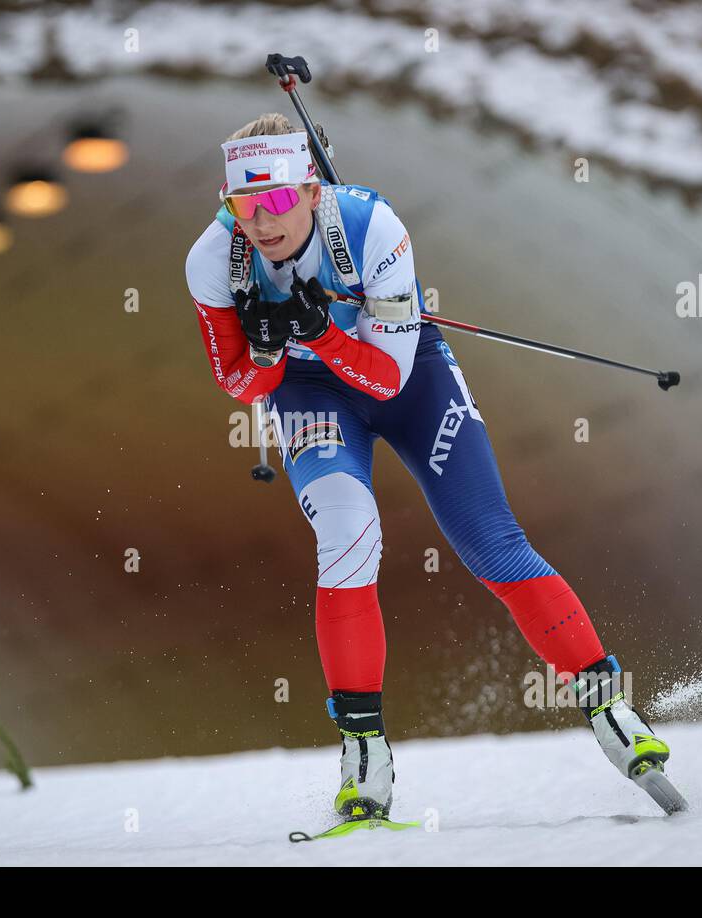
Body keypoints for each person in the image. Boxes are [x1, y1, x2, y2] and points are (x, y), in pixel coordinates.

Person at [184, 113, 673, 821]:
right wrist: (264, 355)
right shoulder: (212, 261)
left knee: (492, 543)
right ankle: (364, 751)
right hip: (311, 393)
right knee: (348, 538)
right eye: (244, 206)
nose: (262, 222)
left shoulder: (372, 226)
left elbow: (386, 378)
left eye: (280, 201)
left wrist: (319, 331)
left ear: (313, 192)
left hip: (406, 379)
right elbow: (237, 382)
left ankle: (610, 712)